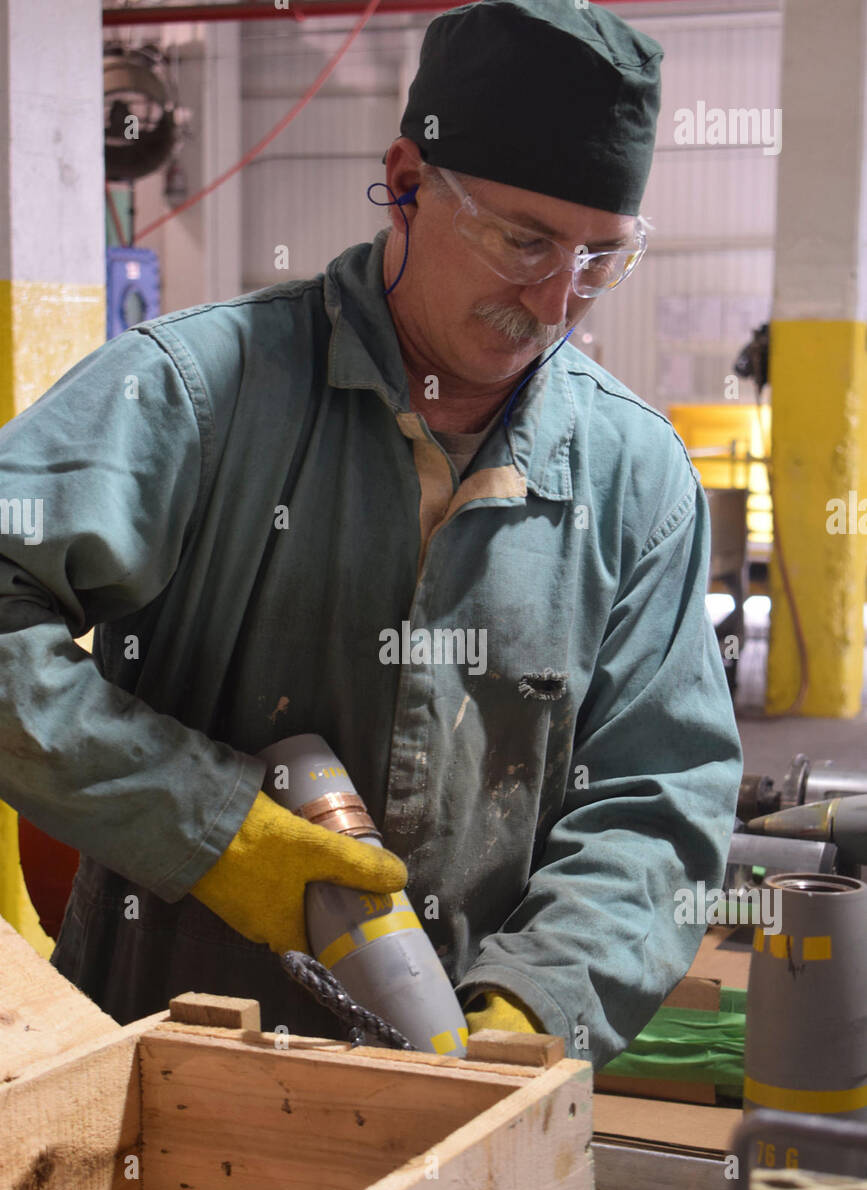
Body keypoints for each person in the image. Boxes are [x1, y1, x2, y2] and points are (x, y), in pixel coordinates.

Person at [0, 0, 741, 1067]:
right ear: (405, 183)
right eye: (522, 238)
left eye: (600, 258)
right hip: (168, 1082)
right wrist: (206, 828)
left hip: (465, 1110)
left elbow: (659, 796)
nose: (555, 297)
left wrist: (537, 1004)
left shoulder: (637, 478)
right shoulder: (200, 396)